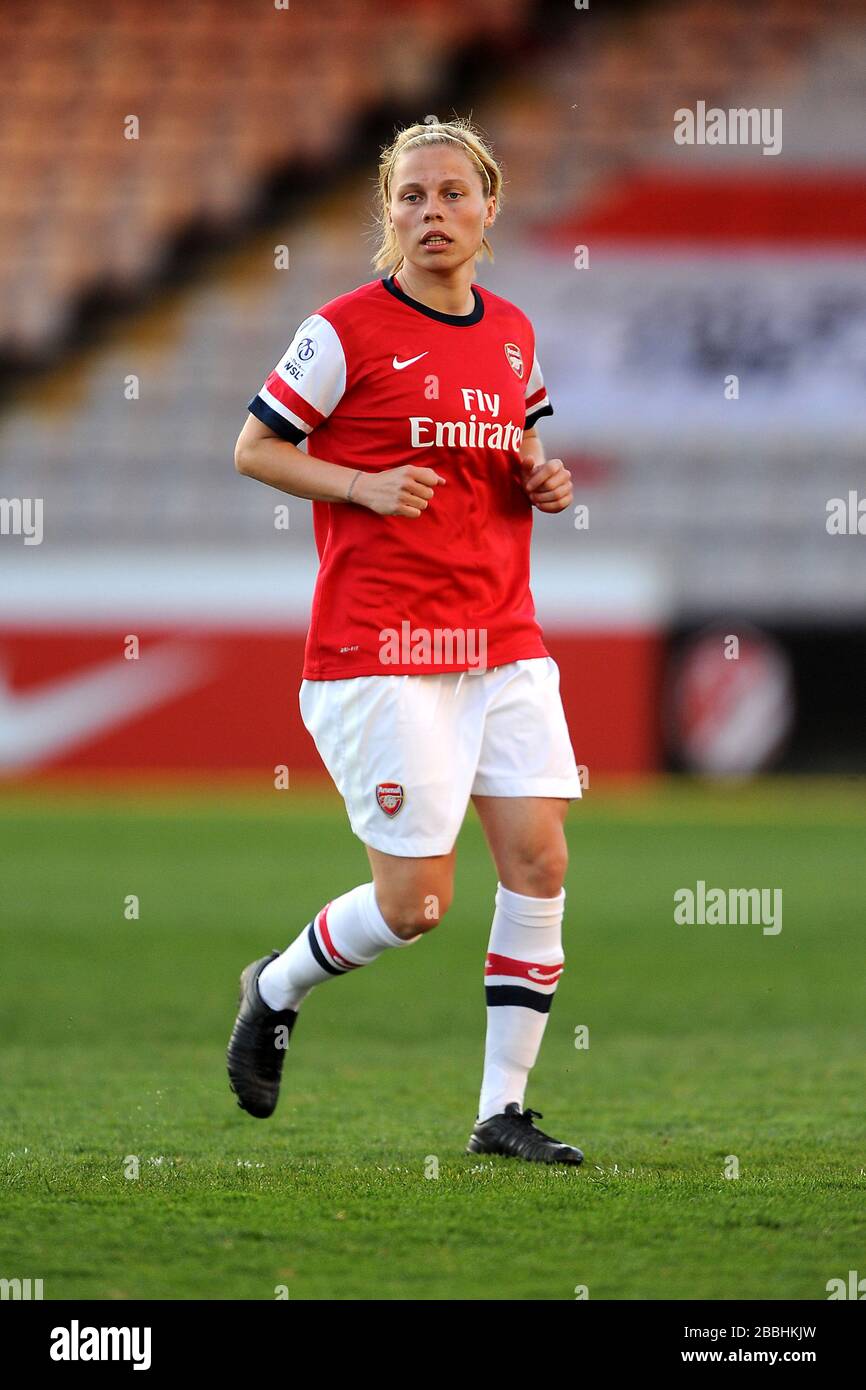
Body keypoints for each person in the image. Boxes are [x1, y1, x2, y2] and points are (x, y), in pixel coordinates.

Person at [227, 116, 584, 1165]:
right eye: (410, 197)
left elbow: (519, 450)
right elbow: (253, 447)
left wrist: (542, 478)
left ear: (487, 209)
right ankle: (275, 984)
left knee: (539, 858)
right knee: (416, 903)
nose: (431, 213)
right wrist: (360, 484)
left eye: (450, 195)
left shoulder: (512, 332)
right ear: (387, 213)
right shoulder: (342, 330)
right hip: (384, 648)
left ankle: (499, 1112)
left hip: (503, 637)